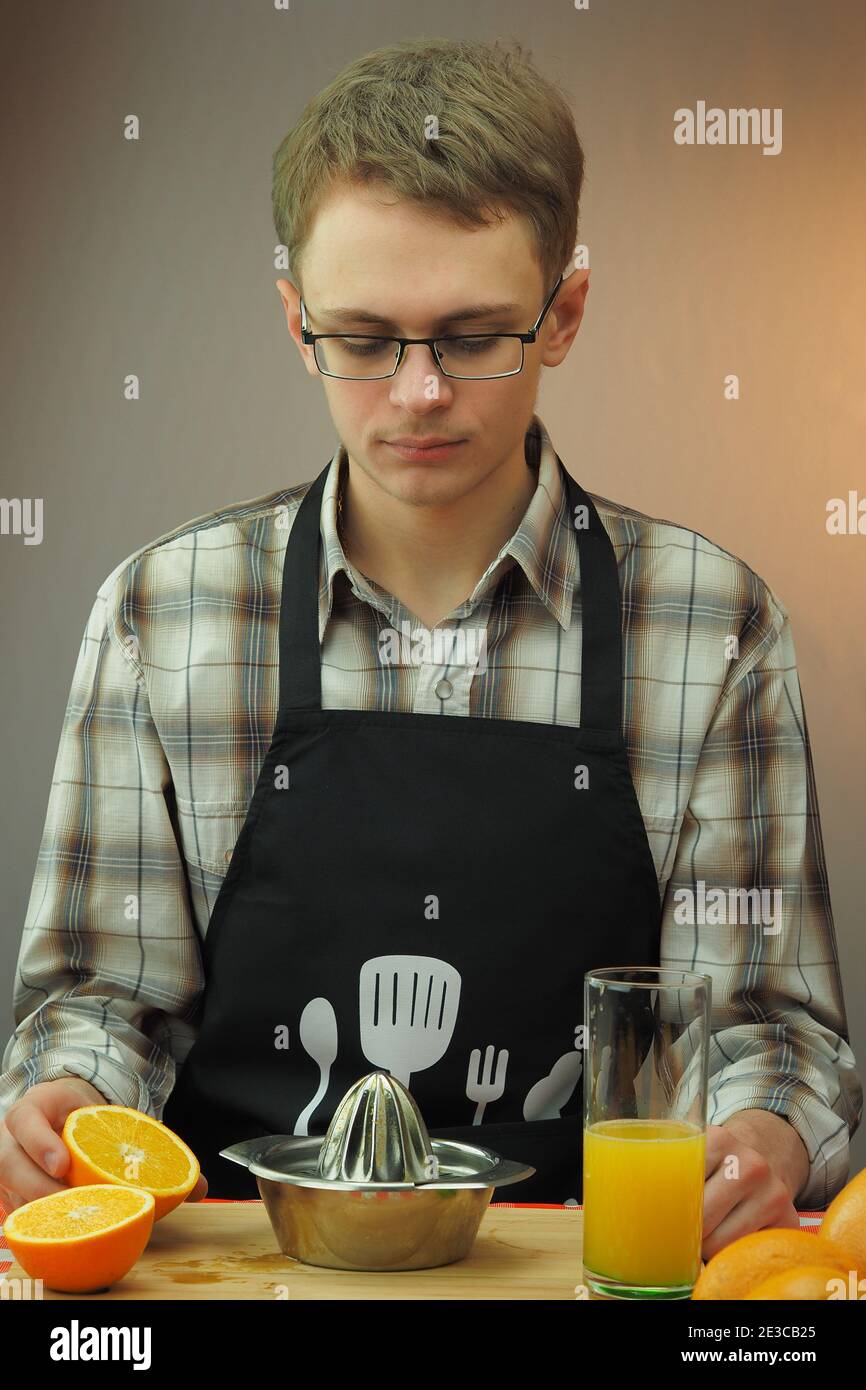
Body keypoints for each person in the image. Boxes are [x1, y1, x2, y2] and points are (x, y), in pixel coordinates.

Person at [0, 37, 860, 1260]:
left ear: (562, 311)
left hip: (591, 1271)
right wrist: (69, 1107)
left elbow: (764, 1028)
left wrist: (765, 1128)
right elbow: (102, 1001)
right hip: (250, 1269)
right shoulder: (162, 614)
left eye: (470, 335)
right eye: (362, 338)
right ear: (296, 323)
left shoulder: (712, 625)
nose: (416, 393)